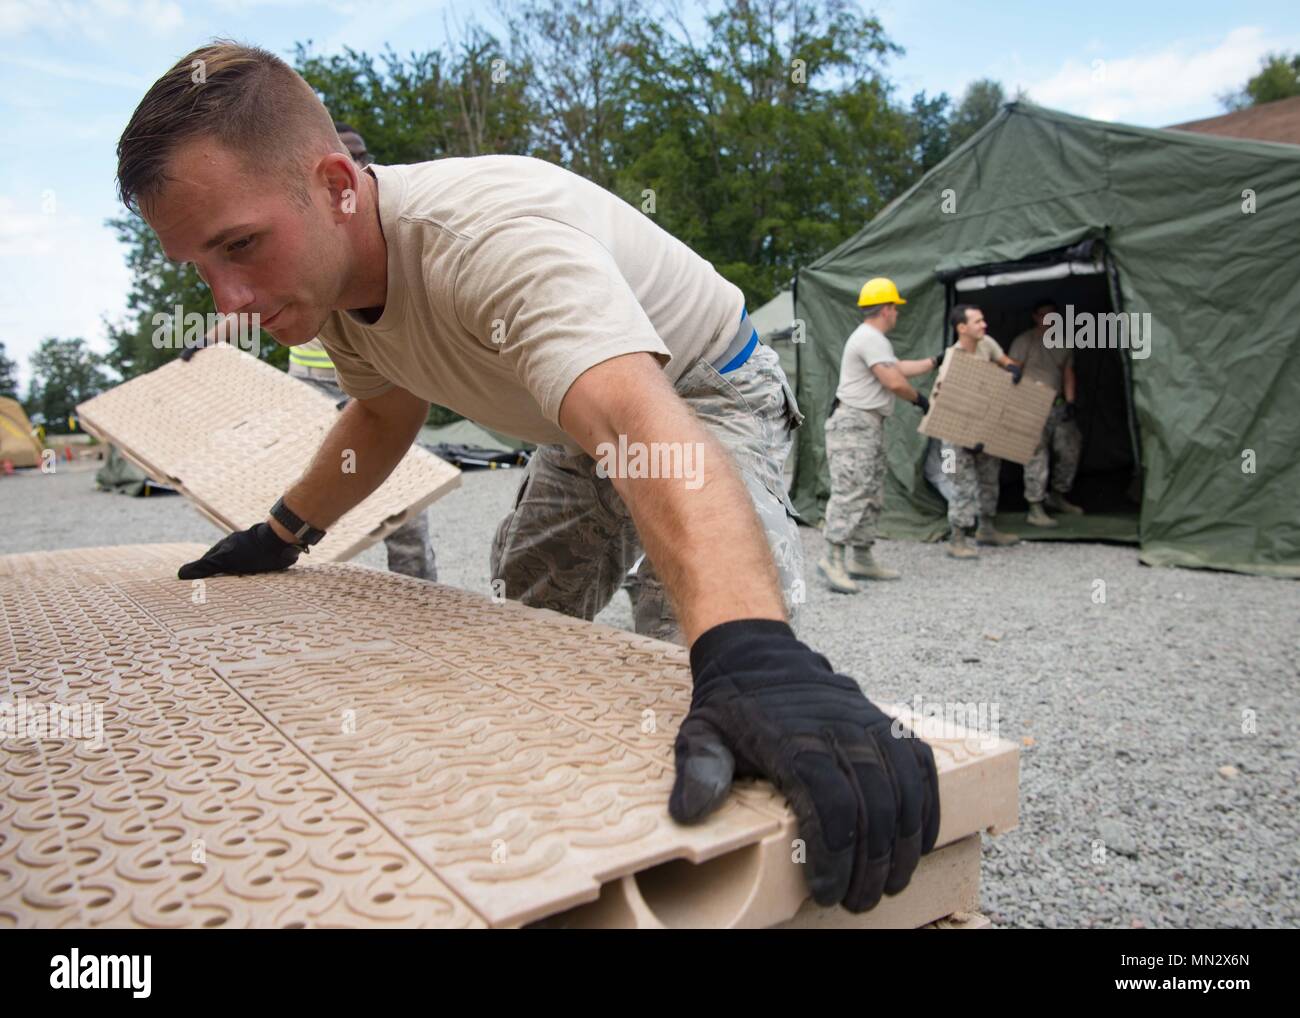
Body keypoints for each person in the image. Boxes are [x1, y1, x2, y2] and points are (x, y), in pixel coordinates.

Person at [115, 42, 939, 913]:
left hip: (696, 391)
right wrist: (280, 533)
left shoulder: (485, 238)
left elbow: (637, 424)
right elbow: (383, 415)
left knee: (702, 661)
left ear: (336, 184)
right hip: (575, 413)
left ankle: (702, 878)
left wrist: (754, 653)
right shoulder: (325, 286)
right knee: (531, 612)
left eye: (241, 245)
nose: (230, 300)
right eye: (202, 269)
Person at [283, 121, 438, 580]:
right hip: (309, 386)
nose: (360, 164)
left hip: (379, 383)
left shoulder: (387, 220)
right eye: (349, 156)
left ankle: (419, 599)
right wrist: (207, 340)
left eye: (363, 154)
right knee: (315, 495)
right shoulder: (307, 234)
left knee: (404, 505)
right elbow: (257, 296)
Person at [818, 278, 937, 593]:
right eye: (895, 308)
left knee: (870, 491)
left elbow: (898, 367)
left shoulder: (873, 340)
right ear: (887, 309)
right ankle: (832, 558)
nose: (897, 313)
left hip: (866, 424)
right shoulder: (870, 338)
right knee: (852, 490)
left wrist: (934, 362)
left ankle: (861, 557)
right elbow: (894, 381)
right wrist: (920, 400)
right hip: (855, 424)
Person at [936, 305, 1022, 558]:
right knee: (961, 483)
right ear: (962, 328)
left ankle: (986, 529)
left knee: (988, 478)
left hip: (983, 427)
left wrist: (1012, 369)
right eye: (977, 322)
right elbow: (948, 401)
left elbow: (1005, 362)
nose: (984, 325)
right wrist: (967, 435)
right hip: (955, 430)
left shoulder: (987, 344)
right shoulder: (953, 358)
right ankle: (958, 539)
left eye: (983, 320)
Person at [1007, 298, 1084, 526]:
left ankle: (1057, 496)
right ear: (1035, 317)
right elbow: (1012, 372)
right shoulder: (1024, 341)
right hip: (1031, 404)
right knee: (1035, 456)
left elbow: (1068, 373)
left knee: (1069, 450)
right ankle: (1035, 505)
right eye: (1044, 314)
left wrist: (1071, 402)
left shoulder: (1064, 342)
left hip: (1057, 405)